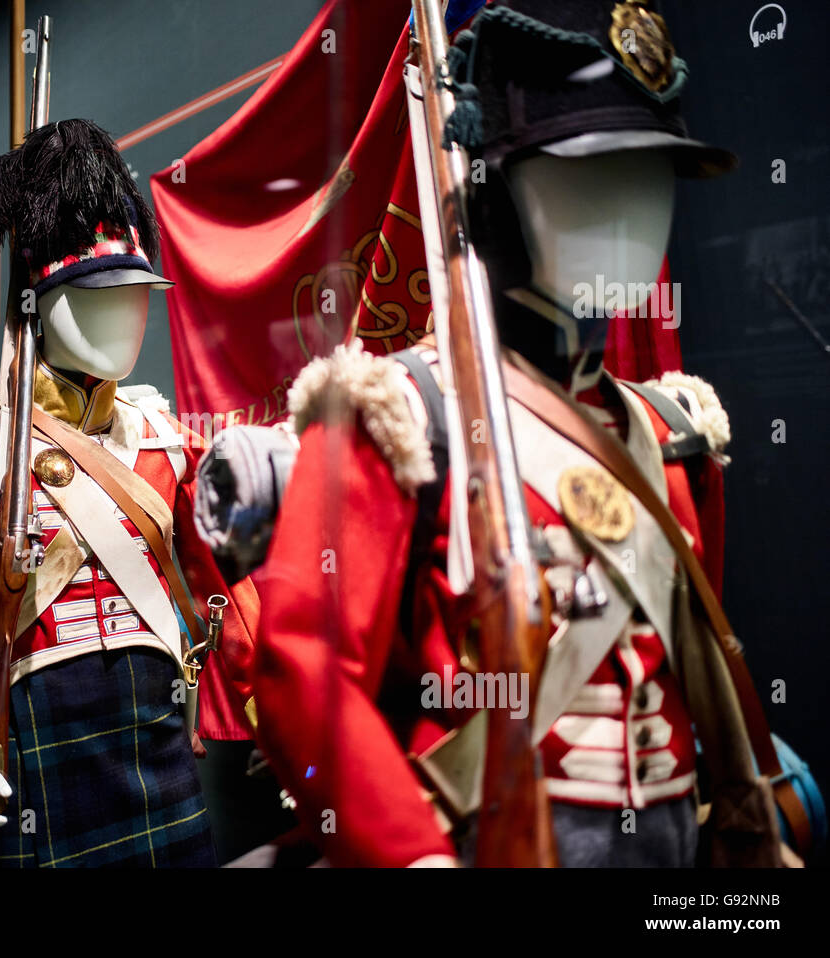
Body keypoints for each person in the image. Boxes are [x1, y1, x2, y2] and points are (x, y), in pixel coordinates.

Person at [250, 0, 802, 868]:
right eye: (593, 180)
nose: (633, 216)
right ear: (500, 193)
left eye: (651, 182)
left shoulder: (670, 432)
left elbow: (684, 677)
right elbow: (300, 675)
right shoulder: (399, 414)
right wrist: (414, 857)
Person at [0, 119, 258, 867]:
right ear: (39, 305)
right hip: (34, 742)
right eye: (95, 298)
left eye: (135, 296)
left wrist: (265, 703)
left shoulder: (161, 442)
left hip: (157, 743)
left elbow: (219, 592)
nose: (126, 317)